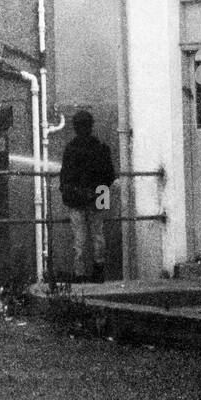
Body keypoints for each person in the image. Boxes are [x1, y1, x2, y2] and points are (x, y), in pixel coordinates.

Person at [59, 109, 116, 283]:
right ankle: (98, 272)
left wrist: (75, 192)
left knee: (80, 241)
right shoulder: (101, 148)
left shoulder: (70, 149)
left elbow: (65, 178)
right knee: (98, 236)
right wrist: (97, 193)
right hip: (98, 196)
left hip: (77, 199)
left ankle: (80, 275)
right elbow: (110, 176)